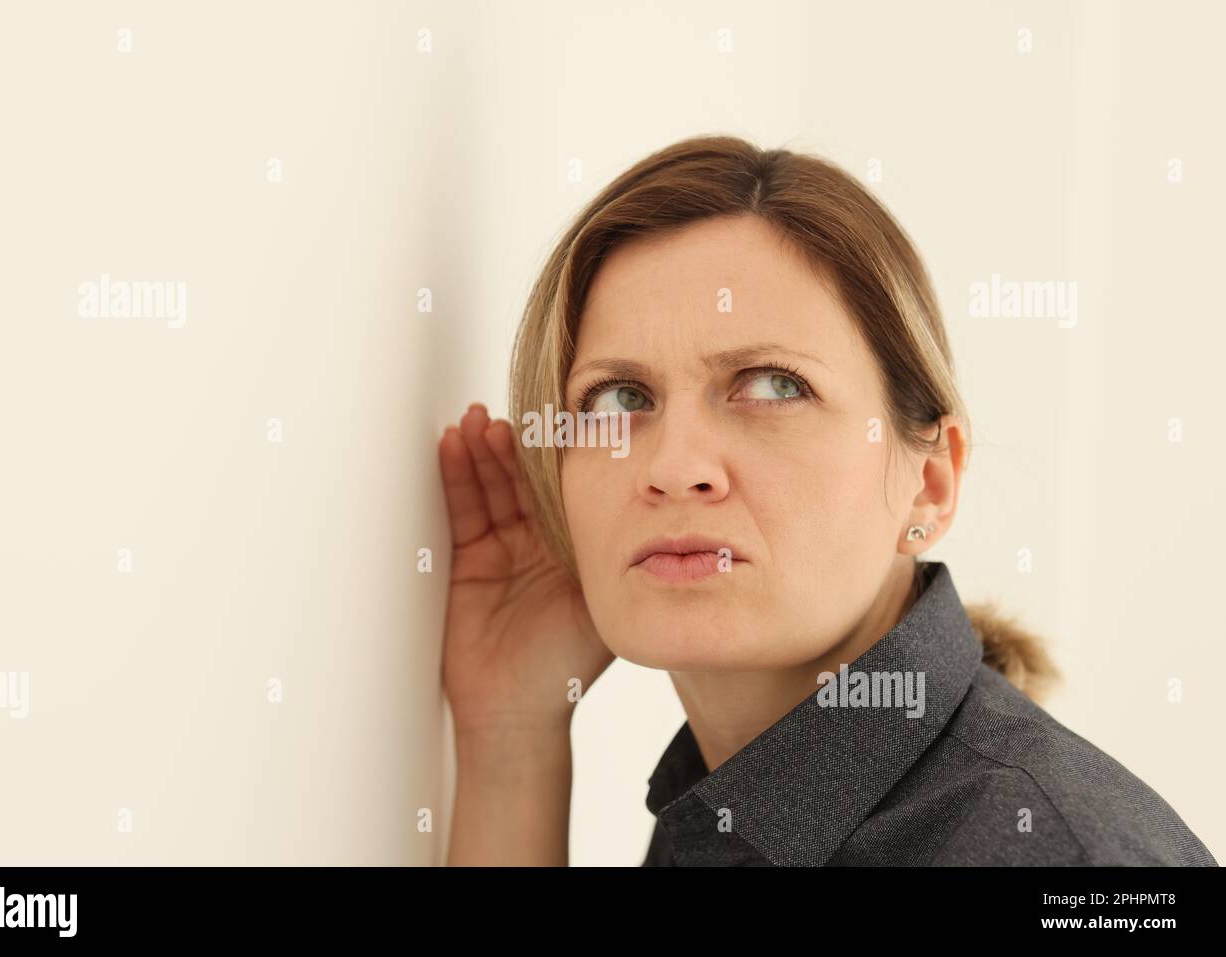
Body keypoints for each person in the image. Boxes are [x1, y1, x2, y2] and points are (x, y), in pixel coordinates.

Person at [437, 135, 1217, 866]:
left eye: (772, 385)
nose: (674, 467)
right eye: (618, 396)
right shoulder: (731, 814)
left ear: (929, 480)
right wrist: (513, 733)